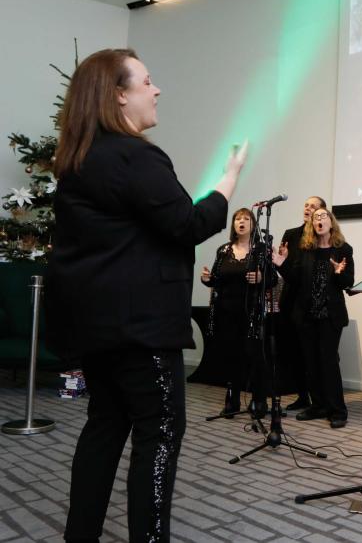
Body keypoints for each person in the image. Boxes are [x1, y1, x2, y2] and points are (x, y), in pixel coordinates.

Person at [46, 48, 247, 542]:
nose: (157, 90)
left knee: (105, 427)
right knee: (158, 435)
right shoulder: (135, 154)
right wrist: (229, 179)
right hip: (141, 330)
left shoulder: (77, 162)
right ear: (119, 96)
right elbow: (187, 224)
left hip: (97, 330)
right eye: (147, 82)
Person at [273, 207, 354, 428]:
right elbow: (295, 279)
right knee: (310, 362)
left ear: (331, 222)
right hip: (306, 315)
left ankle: (338, 410)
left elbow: (348, 282)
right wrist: (281, 264)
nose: (319, 220)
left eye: (323, 216)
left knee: (328, 362)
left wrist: (339, 274)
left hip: (330, 316)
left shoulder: (343, 249)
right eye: (315, 218)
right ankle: (318, 405)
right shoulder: (306, 250)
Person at [200, 207, 267, 418]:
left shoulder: (261, 249)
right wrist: (207, 279)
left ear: (253, 225)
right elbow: (217, 279)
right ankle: (232, 400)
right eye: (238, 218)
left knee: (255, 356)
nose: (242, 221)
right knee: (232, 357)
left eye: (246, 218)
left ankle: (258, 401)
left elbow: (272, 279)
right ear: (233, 225)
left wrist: (260, 278)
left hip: (252, 312)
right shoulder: (223, 250)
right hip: (226, 312)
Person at [279, 196, 327, 411]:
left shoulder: (323, 235)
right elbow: (287, 269)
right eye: (306, 205)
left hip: (315, 302)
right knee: (295, 352)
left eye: (314, 206)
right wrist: (282, 261)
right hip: (293, 300)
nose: (308, 208)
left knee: (316, 353)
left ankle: (320, 397)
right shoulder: (291, 234)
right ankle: (302, 395)